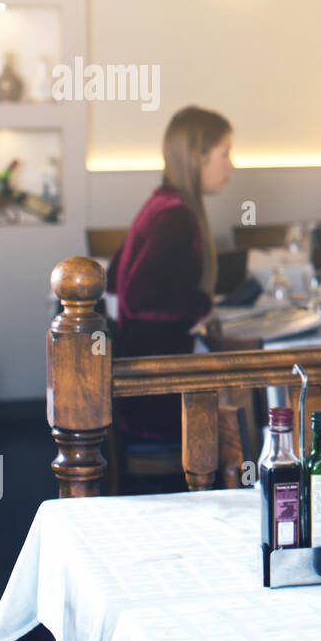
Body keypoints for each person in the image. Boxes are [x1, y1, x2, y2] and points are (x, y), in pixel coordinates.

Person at [108, 106, 233, 444]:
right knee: (244, 408)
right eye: (225, 154)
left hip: (139, 382)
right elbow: (138, 297)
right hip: (156, 394)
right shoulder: (175, 216)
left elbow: (114, 275)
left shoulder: (161, 203)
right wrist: (200, 304)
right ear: (198, 158)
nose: (231, 165)